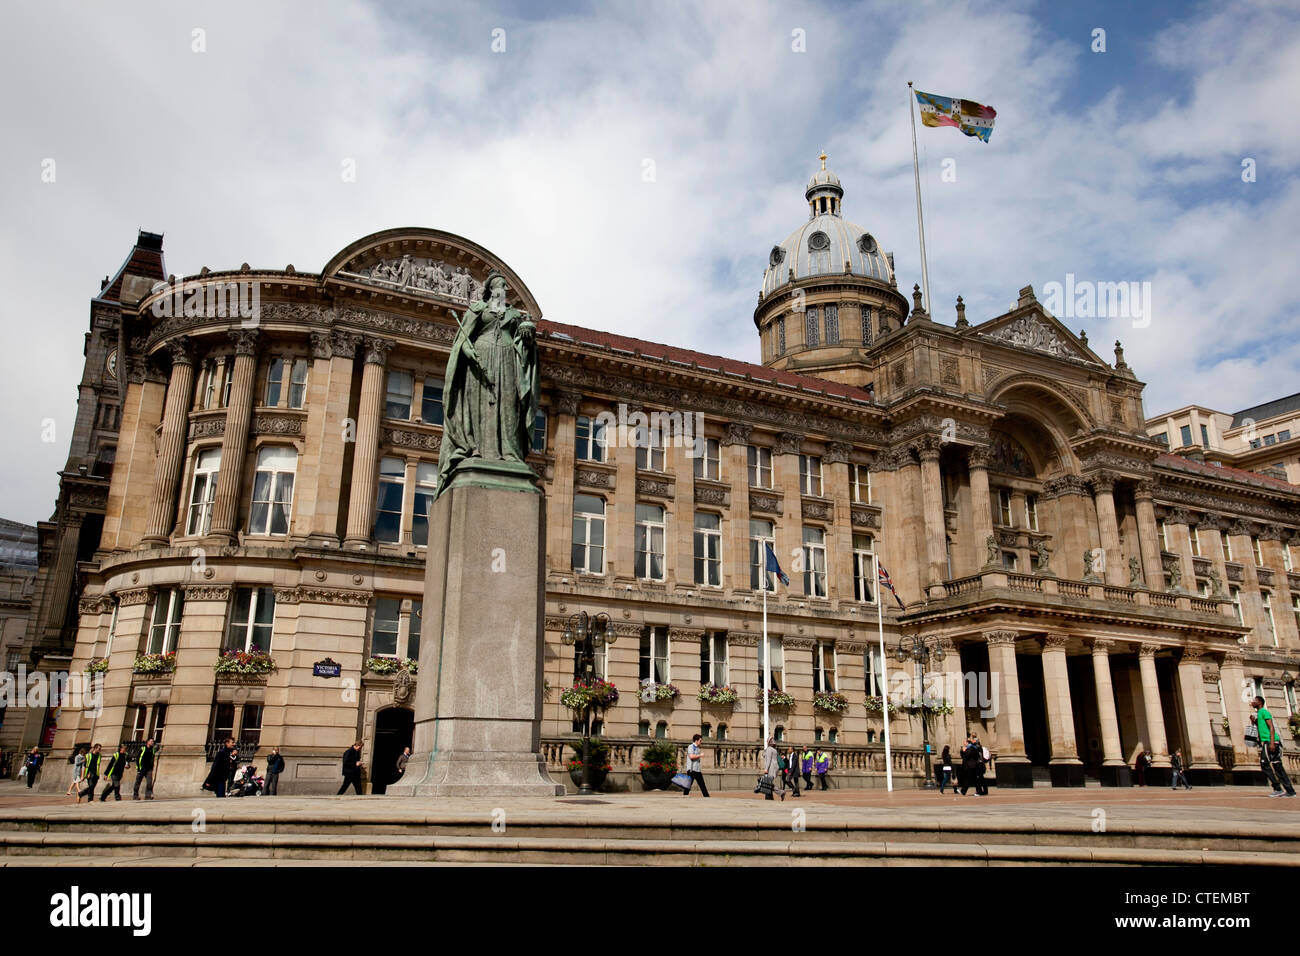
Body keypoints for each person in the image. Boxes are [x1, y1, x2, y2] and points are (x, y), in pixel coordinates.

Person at [1253, 696, 1296, 797]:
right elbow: (1261, 728)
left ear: (1259, 702)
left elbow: (1271, 727)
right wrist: (1254, 721)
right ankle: (1290, 791)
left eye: (1254, 700)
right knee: (1277, 765)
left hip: (1270, 741)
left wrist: (1272, 742)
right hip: (1268, 741)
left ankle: (1277, 788)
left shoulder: (1264, 712)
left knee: (1264, 764)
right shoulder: (1259, 714)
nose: (1252, 702)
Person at [684, 733, 709, 797]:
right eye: (700, 740)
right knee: (688, 785)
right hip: (691, 770)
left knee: (702, 784)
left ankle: (706, 797)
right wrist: (700, 755)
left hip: (697, 769)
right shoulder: (691, 746)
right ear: (696, 740)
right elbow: (691, 756)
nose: (701, 742)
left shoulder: (698, 748)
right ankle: (685, 796)